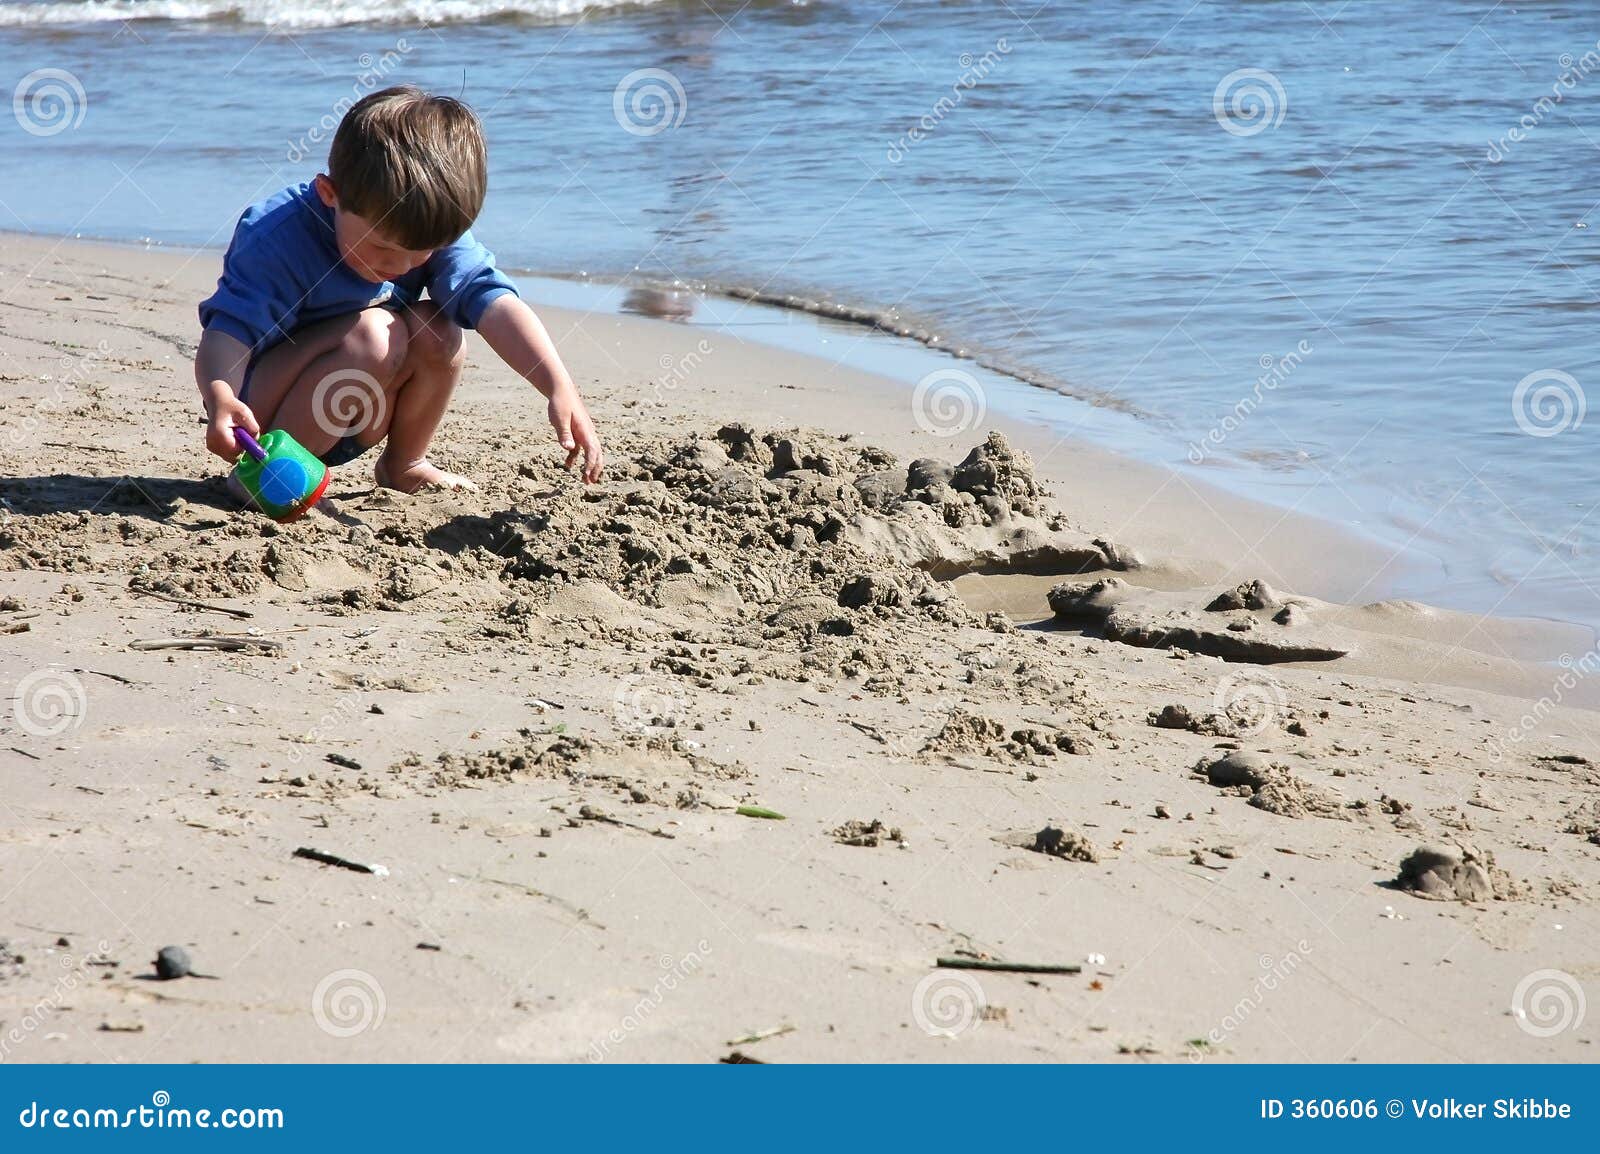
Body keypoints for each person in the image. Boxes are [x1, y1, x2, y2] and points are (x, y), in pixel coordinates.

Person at [195, 85, 603, 493]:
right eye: (382, 247)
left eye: (420, 252)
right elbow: (229, 333)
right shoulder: (278, 236)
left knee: (437, 328)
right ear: (329, 194)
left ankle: (404, 464)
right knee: (375, 334)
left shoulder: (422, 228)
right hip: (258, 419)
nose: (400, 266)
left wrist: (556, 385)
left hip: (357, 411)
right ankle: (266, 480)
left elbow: (492, 302)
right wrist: (220, 397)